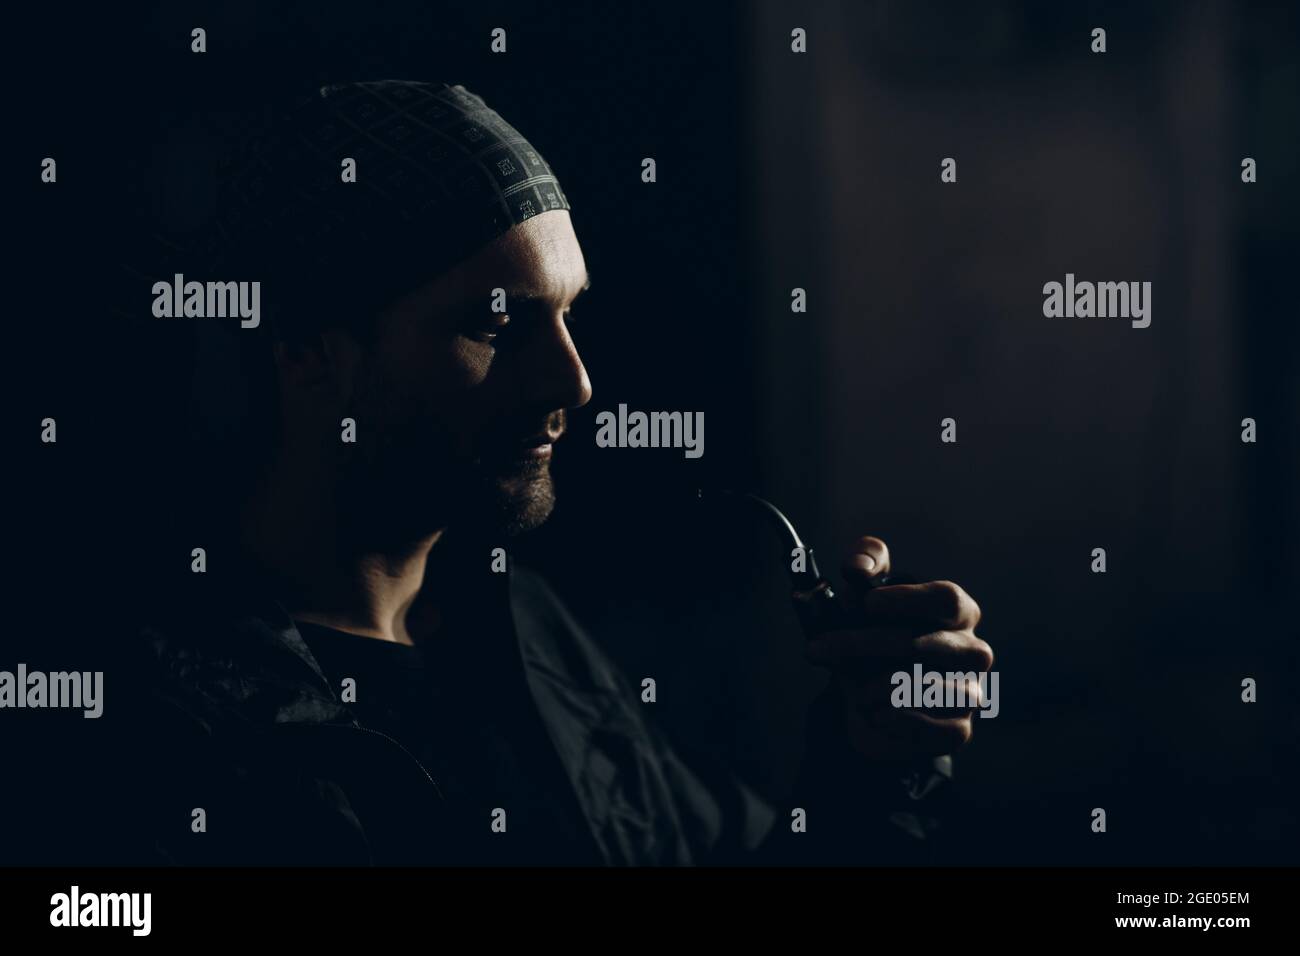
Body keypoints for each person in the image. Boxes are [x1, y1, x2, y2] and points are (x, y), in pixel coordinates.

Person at [111, 81, 992, 865]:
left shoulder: (517, 625)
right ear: (306, 351)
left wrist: (872, 762)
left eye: (570, 316)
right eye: (498, 329)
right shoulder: (162, 729)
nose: (574, 380)